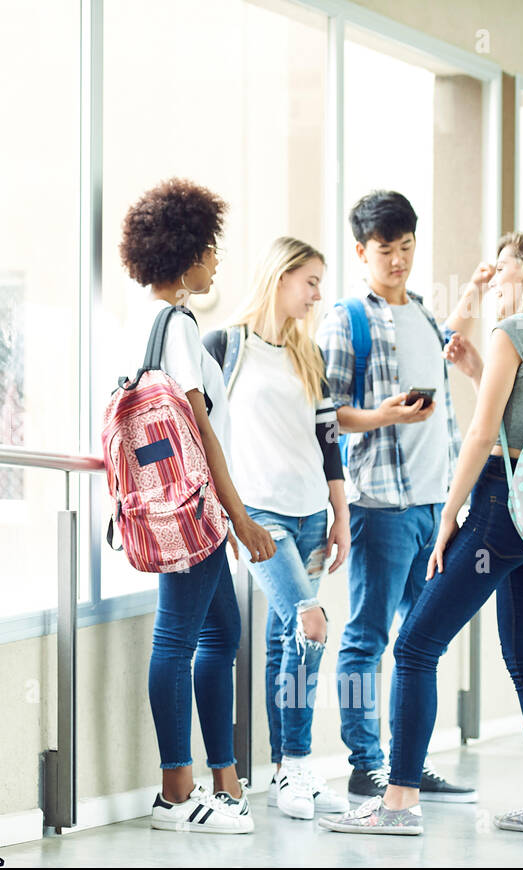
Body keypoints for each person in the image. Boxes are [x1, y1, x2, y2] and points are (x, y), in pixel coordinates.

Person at [320, 229, 523, 837]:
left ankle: (398, 802)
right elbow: (519, 423)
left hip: (500, 509)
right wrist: (476, 371)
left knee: (416, 646)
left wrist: (450, 516)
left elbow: (479, 437)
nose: (494, 278)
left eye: (503, 268)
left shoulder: (512, 332)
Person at [118, 178, 277, 834]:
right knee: (180, 636)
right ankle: (177, 793)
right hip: (194, 507)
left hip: (171, 504)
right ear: (183, 251)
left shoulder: (143, 323)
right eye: (210, 248)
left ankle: (223, 777)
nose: (217, 261)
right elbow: (202, 429)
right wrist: (240, 518)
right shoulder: (178, 326)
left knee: (220, 634)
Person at [316, 190, 481, 804]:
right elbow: (325, 415)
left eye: (408, 248)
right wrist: (381, 417)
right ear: (361, 251)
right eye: (386, 250)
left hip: (433, 507)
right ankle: (367, 763)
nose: (399, 261)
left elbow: (444, 416)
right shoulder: (345, 318)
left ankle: (409, 763)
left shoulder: (425, 315)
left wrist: (454, 494)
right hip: (378, 506)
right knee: (366, 639)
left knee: (420, 641)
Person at [207, 237, 351, 821]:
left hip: (311, 512)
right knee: (310, 624)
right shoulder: (225, 345)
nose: (317, 294)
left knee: (285, 644)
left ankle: (284, 771)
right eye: (310, 281)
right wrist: (229, 515)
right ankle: (296, 761)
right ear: (281, 276)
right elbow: (204, 433)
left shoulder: (309, 353)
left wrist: (341, 515)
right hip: (260, 515)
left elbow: (329, 443)